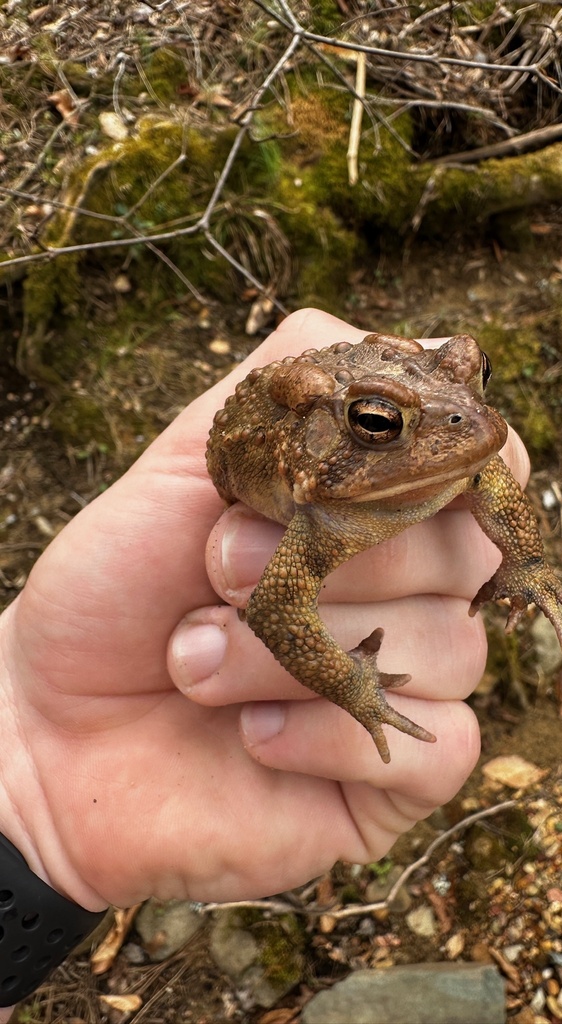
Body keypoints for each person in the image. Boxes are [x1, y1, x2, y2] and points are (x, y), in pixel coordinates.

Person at [0, 308, 530, 1016]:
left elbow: (490, 474)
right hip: (306, 487)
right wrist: (353, 684)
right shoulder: (317, 501)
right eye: (379, 423)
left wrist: (526, 562)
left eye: (477, 378)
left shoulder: (461, 452)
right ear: (346, 429)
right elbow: (277, 611)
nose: (470, 418)